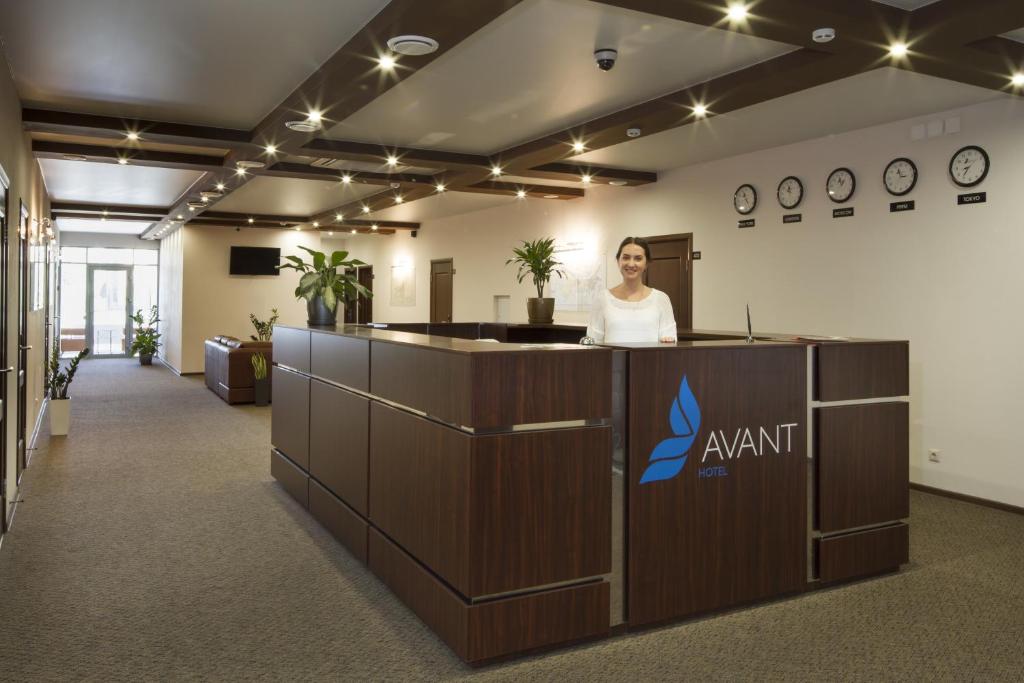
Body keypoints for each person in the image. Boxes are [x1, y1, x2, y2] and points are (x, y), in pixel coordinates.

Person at [586, 237, 677, 344]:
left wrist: (668, 340)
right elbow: (593, 343)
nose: (631, 264)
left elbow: (669, 342)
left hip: (651, 360)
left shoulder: (661, 299)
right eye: (626, 258)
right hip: (611, 361)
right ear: (618, 261)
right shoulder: (602, 299)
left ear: (646, 264)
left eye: (638, 258)